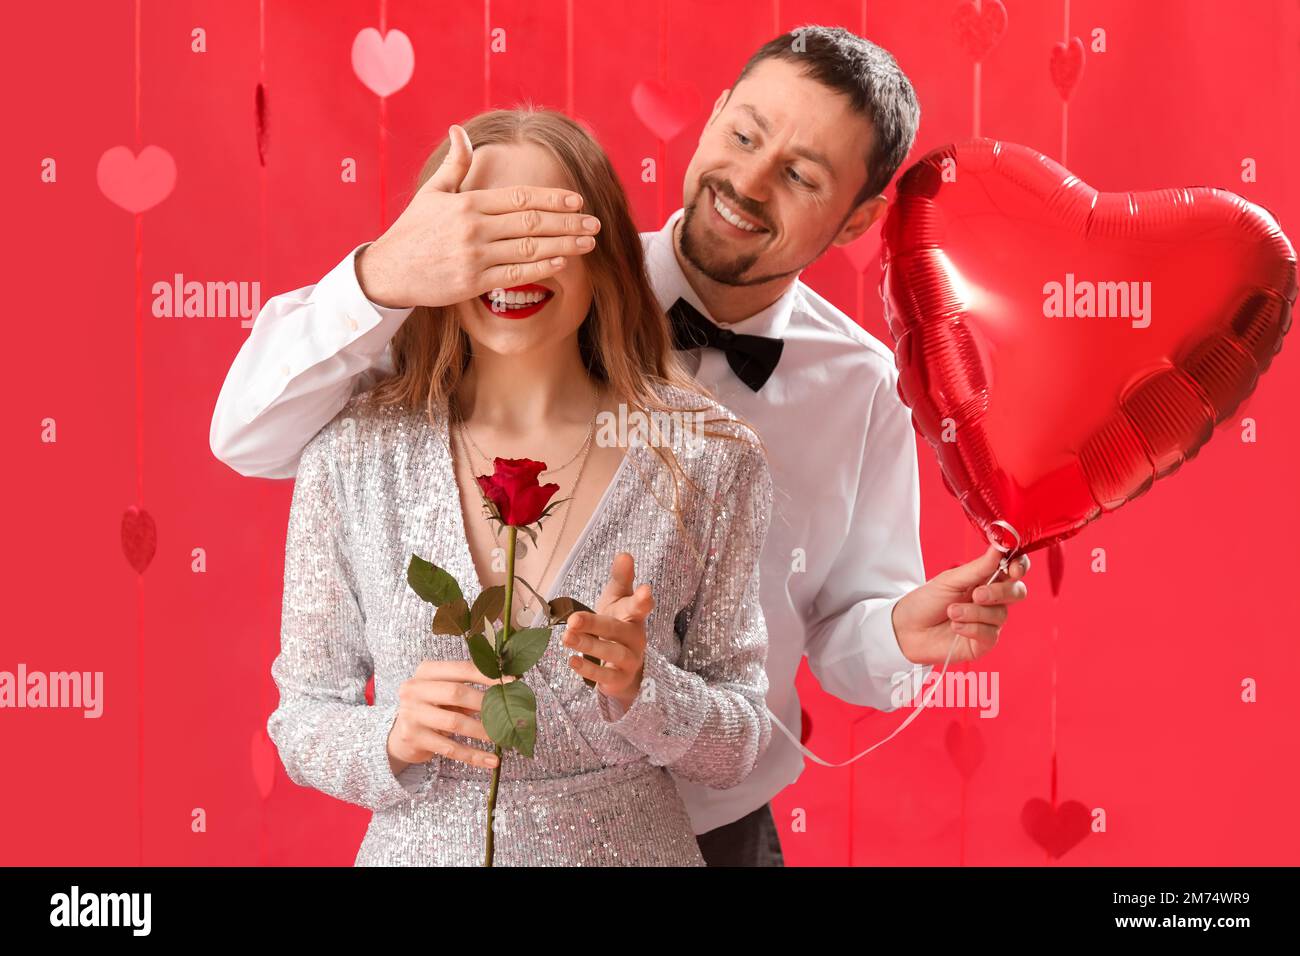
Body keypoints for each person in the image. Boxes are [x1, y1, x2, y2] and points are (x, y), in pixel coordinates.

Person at [212, 25, 1029, 867]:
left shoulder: (861, 387)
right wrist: (385, 273)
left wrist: (898, 630)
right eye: (744, 135)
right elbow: (251, 435)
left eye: (800, 175)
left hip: (716, 829)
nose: (747, 183)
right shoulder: (519, 268)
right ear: (712, 117)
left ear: (858, 216)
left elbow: (832, 650)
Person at [261, 108, 774, 866]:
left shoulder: (704, 457)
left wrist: (644, 688)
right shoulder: (352, 455)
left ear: (604, 261)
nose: (514, 267)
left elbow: (741, 742)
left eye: (545, 236)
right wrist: (390, 736)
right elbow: (301, 718)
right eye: (487, 237)